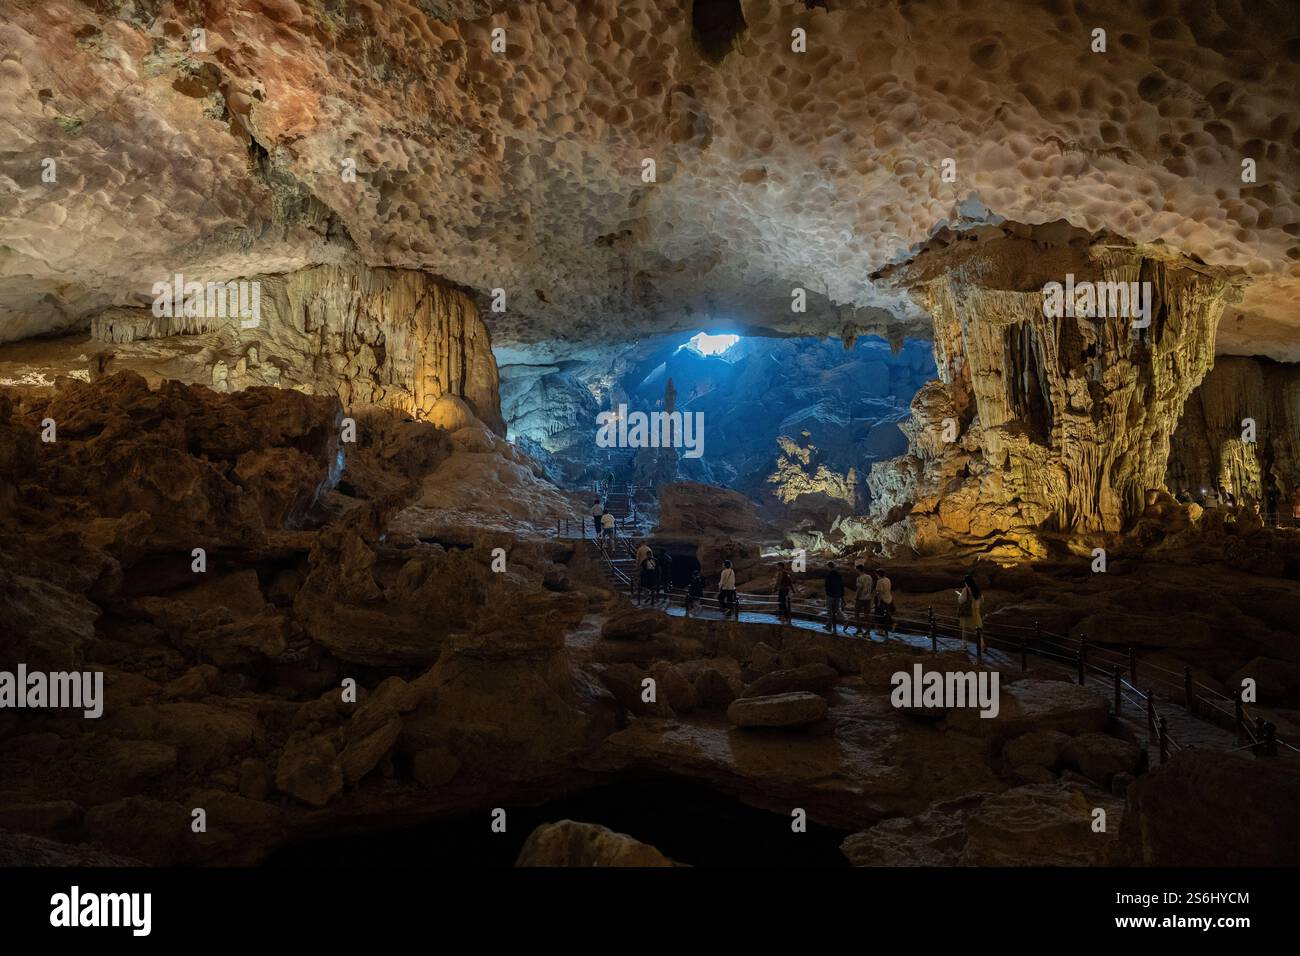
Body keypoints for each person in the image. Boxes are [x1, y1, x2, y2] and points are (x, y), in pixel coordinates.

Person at [956, 572, 983, 650]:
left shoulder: (965, 590)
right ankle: (982, 644)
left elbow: (961, 601)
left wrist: (959, 595)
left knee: (965, 629)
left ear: (966, 582)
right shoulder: (977, 589)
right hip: (976, 611)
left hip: (968, 612)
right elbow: (982, 600)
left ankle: (964, 645)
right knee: (978, 629)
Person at [852, 565, 875, 636]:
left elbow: (859, 588)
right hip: (868, 598)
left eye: (856, 570)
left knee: (856, 614)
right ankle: (868, 631)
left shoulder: (859, 578)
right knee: (867, 615)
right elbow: (872, 586)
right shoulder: (869, 577)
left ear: (858, 570)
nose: (856, 571)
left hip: (861, 598)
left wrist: (856, 597)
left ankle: (859, 630)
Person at [823, 562, 844, 633]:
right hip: (838, 595)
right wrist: (842, 595)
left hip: (830, 595)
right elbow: (842, 585)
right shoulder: (839, 575)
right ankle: (845, 620)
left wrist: (827, 593)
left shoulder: (828, 575)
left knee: (830, 611)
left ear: (828, 567)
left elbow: (827, 586)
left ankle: (829, 626)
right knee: (837, 609)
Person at [875, 567, 895, 639]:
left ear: (878, 574)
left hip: (883, 600)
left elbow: (879, 593)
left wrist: (878, 602)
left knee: (880, 615)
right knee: (887, 613)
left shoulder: (879, 581)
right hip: (889, 598)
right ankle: (892, 624)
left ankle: (881, 630)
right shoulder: (887, 579)